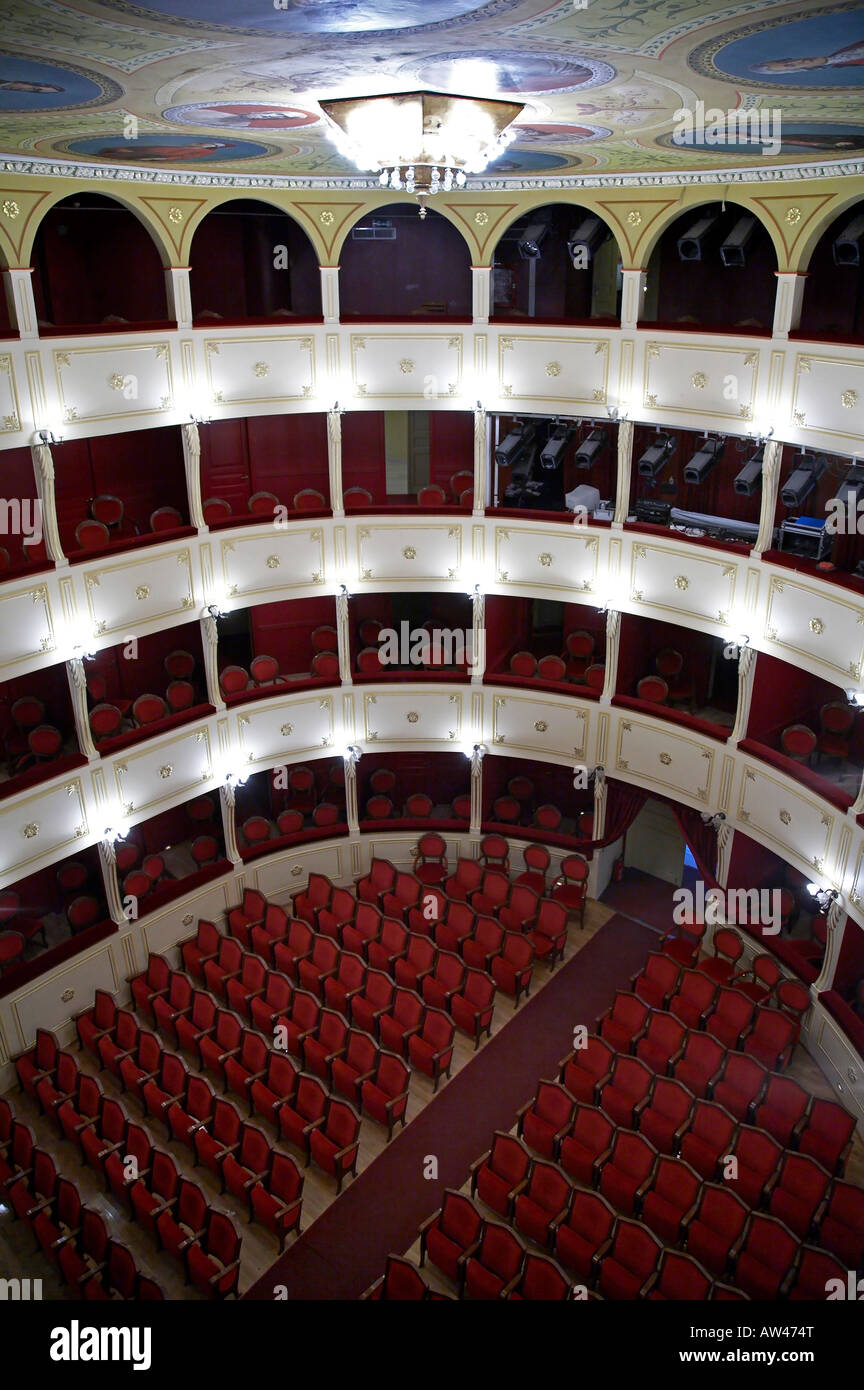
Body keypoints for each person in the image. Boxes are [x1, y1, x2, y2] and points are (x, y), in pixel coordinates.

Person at [750, 39, 864, 74]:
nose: (800, 60)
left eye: (790, 60)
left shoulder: (843, 50)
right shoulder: (843, 65)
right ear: (801, 69)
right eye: (792, 65)